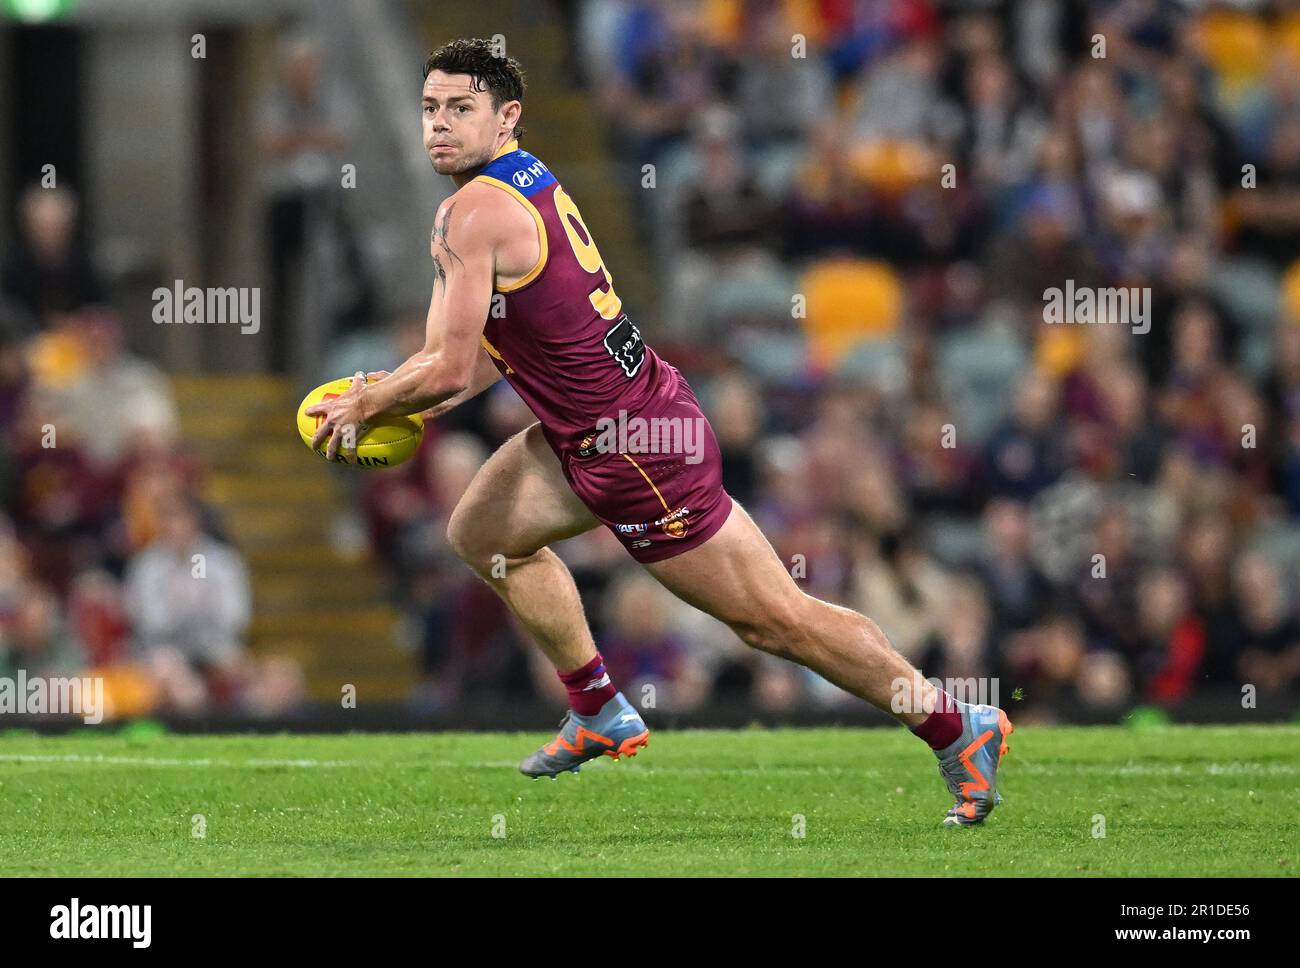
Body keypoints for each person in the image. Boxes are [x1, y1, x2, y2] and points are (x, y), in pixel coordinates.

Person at [308, 38, 1014, 825]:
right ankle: (598, 708)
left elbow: (444, 368)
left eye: (460, 109)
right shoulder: (520, 177)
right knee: (482, 533)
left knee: (775, 621)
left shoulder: (469, 213)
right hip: (608, 425)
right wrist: (396, 397)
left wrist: (371, 402)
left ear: (507, 117)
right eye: (431, 108)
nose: (438, 125)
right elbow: (470, 360)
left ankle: (957, 725)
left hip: (635, 449)